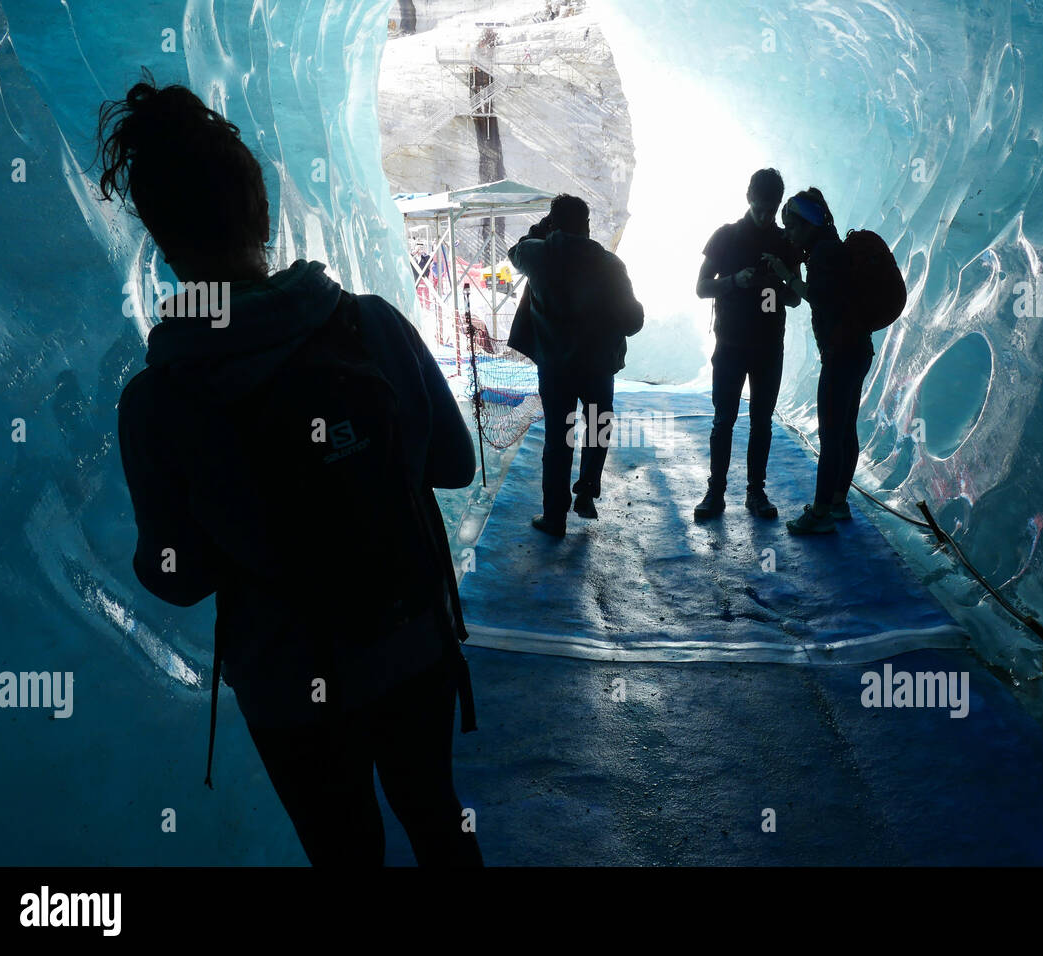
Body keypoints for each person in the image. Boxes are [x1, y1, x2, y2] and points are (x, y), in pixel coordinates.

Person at [98, 75, 483, 866]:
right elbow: (453, 462)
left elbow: (177, 575)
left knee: (345, 854)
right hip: (411, 642)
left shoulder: (159, 399)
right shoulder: (370, 324)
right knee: (439, 821)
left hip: (290, 683)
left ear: (164, 247)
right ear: (262, 212)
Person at [507, 194, 644, 537]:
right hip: (597, 366)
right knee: (597, 427)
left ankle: (554, 517)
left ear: (554, 223)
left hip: (554, 369)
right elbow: (632, 322)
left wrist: (540, 229)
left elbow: (517, 249)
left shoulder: (536, 255)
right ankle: (586, 489)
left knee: (558, 440)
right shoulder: (610, 266)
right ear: (586, 226)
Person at [762, 188, 875, 535]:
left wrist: (785, 274)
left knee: (830, 435)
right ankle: (838, 502)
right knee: (845, 430)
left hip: (841, 355)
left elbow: (820, 299)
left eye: (793, 227)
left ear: (809, 223)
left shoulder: (824, 253)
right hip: (857, 350)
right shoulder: (832, 246)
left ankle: (821, 512)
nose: (789, 234)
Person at [693, 168, 802, 521]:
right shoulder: (725, 237)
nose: (765, 213)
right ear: (749, 197)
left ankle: (755, 492)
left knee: (761, 421)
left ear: (777, 204)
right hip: (731, 344)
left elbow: (795, 298)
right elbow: (701, 288)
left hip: (768, 346)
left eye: (771, 207)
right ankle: (716, 492)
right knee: (724, 419)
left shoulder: (786, 242)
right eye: (760, 205)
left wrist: (778, 280)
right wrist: (736, 281)